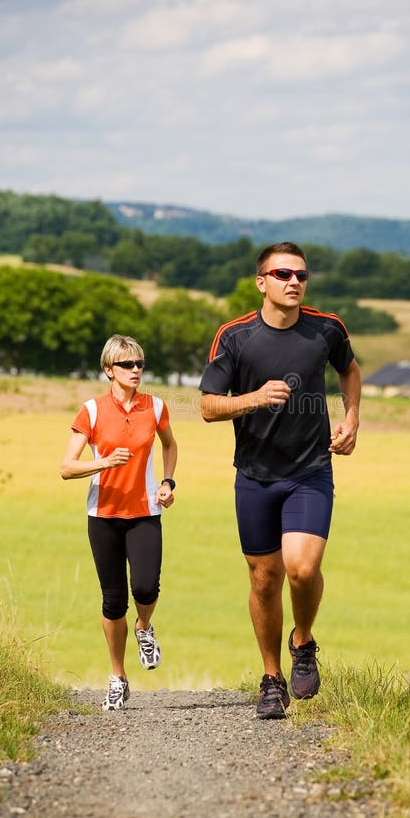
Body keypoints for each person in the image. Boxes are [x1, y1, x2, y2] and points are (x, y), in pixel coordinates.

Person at [199, 242, 361, 719]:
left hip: (310, 470)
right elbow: (208, 405)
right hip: (254, 476)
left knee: (301, 569)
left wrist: (351, 419)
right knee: (264, 579)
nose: (294, 281)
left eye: (302, 275)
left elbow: (349, 370)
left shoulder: (326, 329)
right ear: (262, 282)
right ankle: (272, 678)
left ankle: (303, 639)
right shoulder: (234, 337)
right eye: (284, 273)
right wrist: (252, 399)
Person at [61, 334, 178, 711]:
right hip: (104, 515)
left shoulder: (155, 406)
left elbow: (170, 445)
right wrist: (103, 462)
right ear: (109, 369)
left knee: (145, 586)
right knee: (113, 601)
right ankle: (117, 676)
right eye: (127, 365)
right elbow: (67, 468)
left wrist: (167, 482)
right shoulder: (91, 411)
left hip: (145, 510)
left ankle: (145, 627)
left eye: (140, 364)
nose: (136, 371)